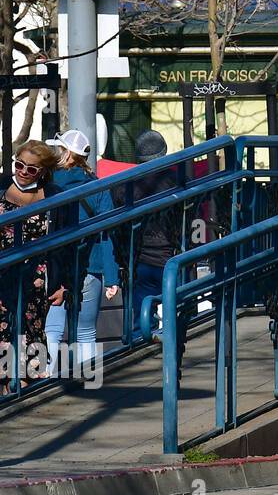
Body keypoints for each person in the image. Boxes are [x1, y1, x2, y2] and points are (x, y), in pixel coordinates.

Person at [42, 130, 119, 375]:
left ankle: (49, 378)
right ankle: (87, 380)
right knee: (86, 329)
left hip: (55, 264)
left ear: (65, 153)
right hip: (91, 264)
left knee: (52, 327)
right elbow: (106, 234)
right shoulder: (98, 185)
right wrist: (112, 277)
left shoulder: (49, 185)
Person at [0, 140, 65, 385]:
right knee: (2, 332)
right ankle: (7, 391)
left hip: (35, 278)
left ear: (43, 171)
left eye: (31, 169)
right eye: (19, 165)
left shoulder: (55, 196)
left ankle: (26, 387)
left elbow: (65, 243)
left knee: (30, 330)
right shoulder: (1, 187)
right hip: (3, 272)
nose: (23, 172)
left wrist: (63, 284)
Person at [117, 130, 178, 341]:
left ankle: (138, 340)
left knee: (140, 309)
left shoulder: (126, 184)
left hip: (138, 256)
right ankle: (172, 340)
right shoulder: (177, 181)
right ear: (165, 153)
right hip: (170, 254)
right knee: (176, 308)